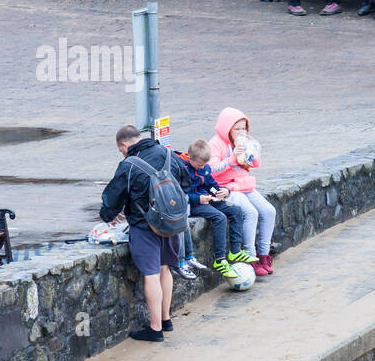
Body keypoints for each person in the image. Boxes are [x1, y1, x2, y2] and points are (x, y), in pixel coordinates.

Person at [100, 125, 195, 343]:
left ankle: (155, 329)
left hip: (145, 226)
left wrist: (109, 215)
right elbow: (187, 183)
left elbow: (113, 197)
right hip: (173, 223)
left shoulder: (129, 165)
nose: (122, 153)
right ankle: (166, 319)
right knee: (166, 268)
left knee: (151, 274)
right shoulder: (171, 155)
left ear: (124, 145)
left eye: (120, 150)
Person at [209, 107, 277, 277]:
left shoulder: (244, 141)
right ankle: (250, 257)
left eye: (243, 128)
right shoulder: (216, 144)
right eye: (236, 128)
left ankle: (264, 255)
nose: (241, 132)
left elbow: (254, 164)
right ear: (227, 128)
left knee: (269, 211)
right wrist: (231, 159)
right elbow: (212, 171)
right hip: (227, 187)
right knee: (251, 213)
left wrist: (250, 151)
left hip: (244, 185)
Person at [182, 139, 253, 279]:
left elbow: (211, 184)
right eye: (199, 164)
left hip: (207, 199)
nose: (202, 167)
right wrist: (198, 199)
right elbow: (181, 194)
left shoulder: (205, 168)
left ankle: (235, 250)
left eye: (204, 165)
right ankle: (220, 259)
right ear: (190, 158)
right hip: (193, 205)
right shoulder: (183, 170)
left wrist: (221, 191)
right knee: (219, 217)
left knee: (236, 211)